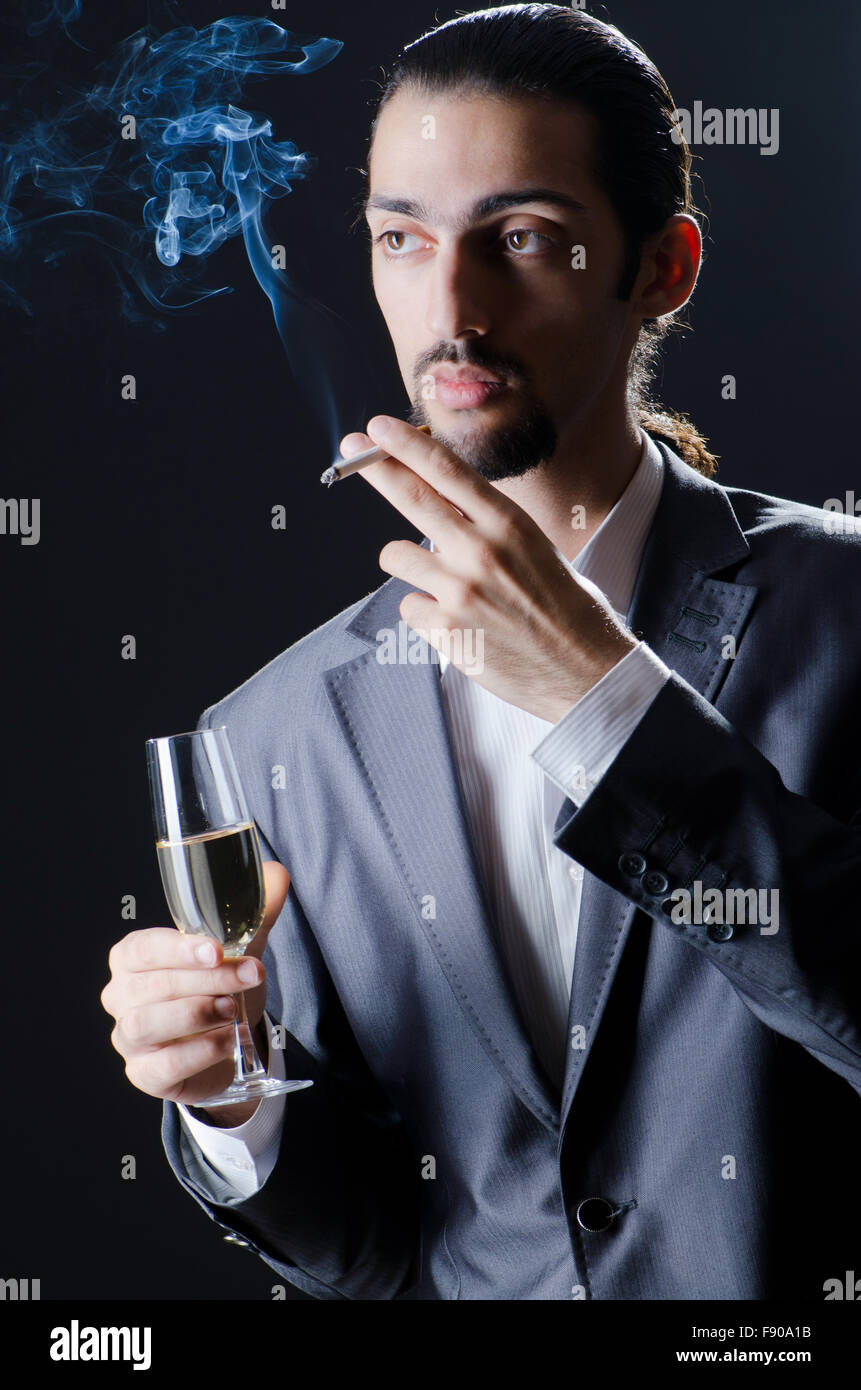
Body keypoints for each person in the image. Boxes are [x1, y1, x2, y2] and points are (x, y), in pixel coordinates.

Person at [100, 5, 861, 1300]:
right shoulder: (272, 734)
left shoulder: (844, 608)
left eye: (519, 238)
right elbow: (386, 1248)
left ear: (662, 266)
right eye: (402, 239)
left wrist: (600, 698)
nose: (448, 308)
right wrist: (235, 1108)